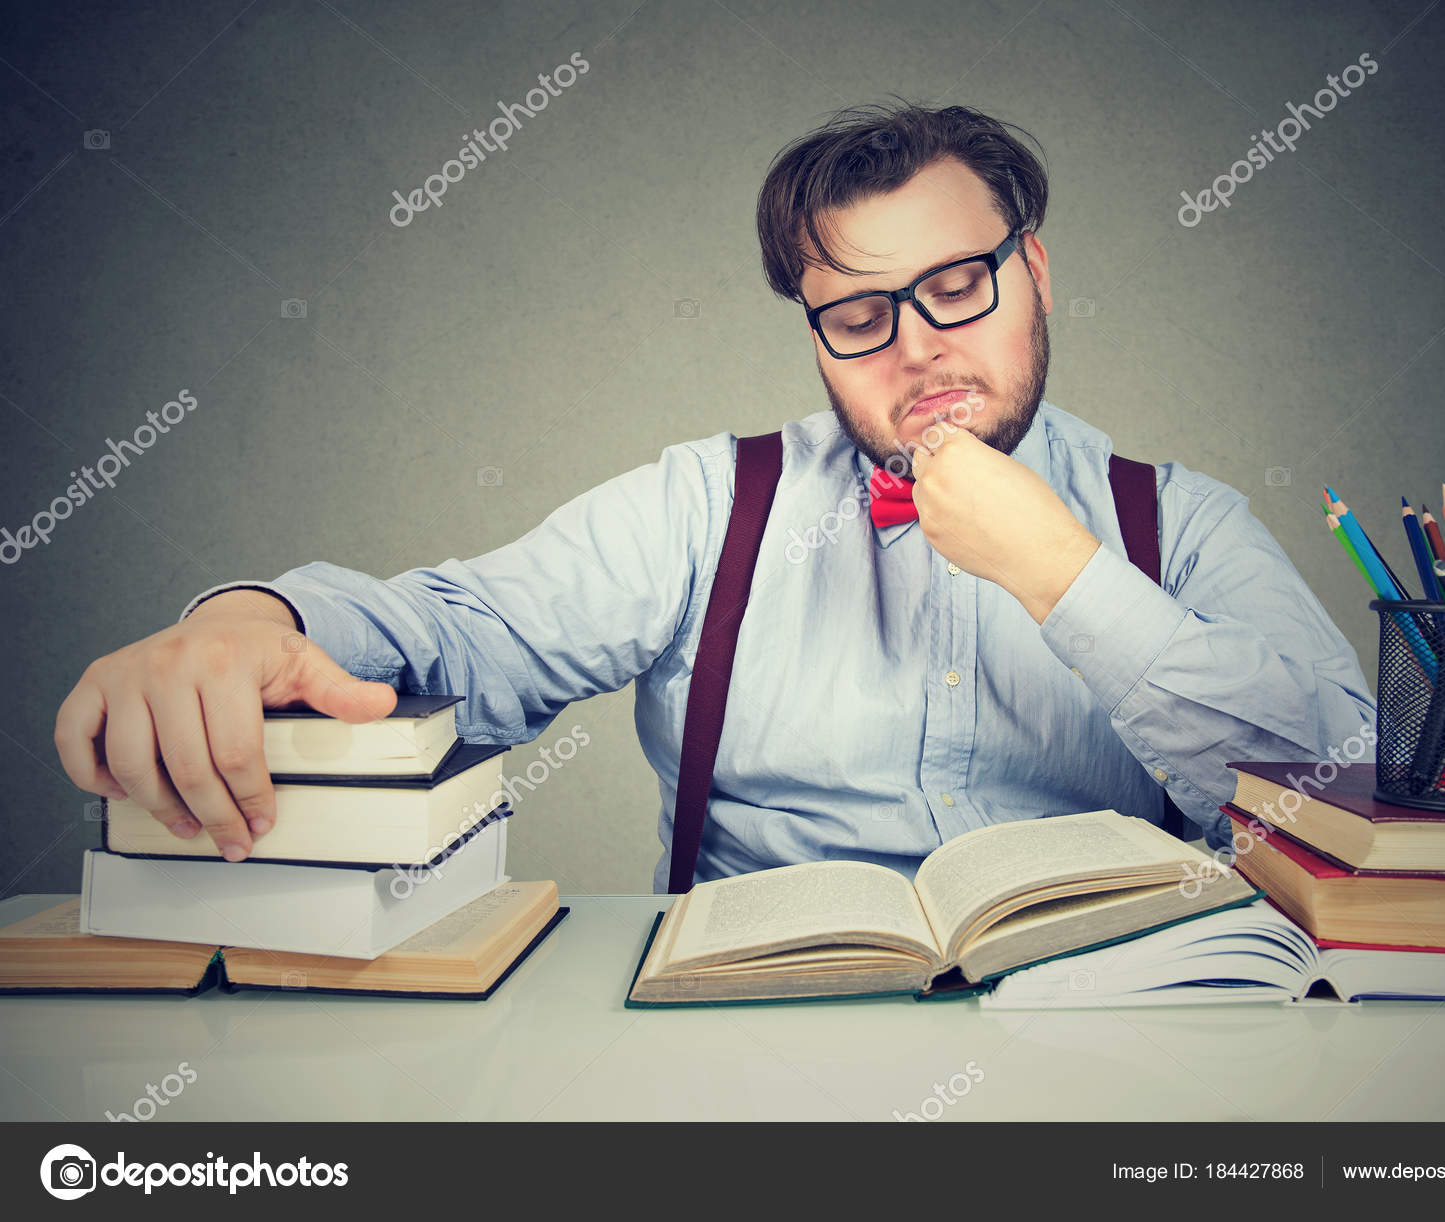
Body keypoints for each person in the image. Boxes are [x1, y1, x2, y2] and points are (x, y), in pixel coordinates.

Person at [55, 102, 1376, 888]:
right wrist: (245, 619)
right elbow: (466, 633)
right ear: (816, 335)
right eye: (861, 312)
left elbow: (1346, 792)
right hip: (748, 1067)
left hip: (1110, 1065)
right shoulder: (712, 505)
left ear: (1032, 270)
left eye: (957, 286)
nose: (917, 346)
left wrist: (1066, 575)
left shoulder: (1183, 520)